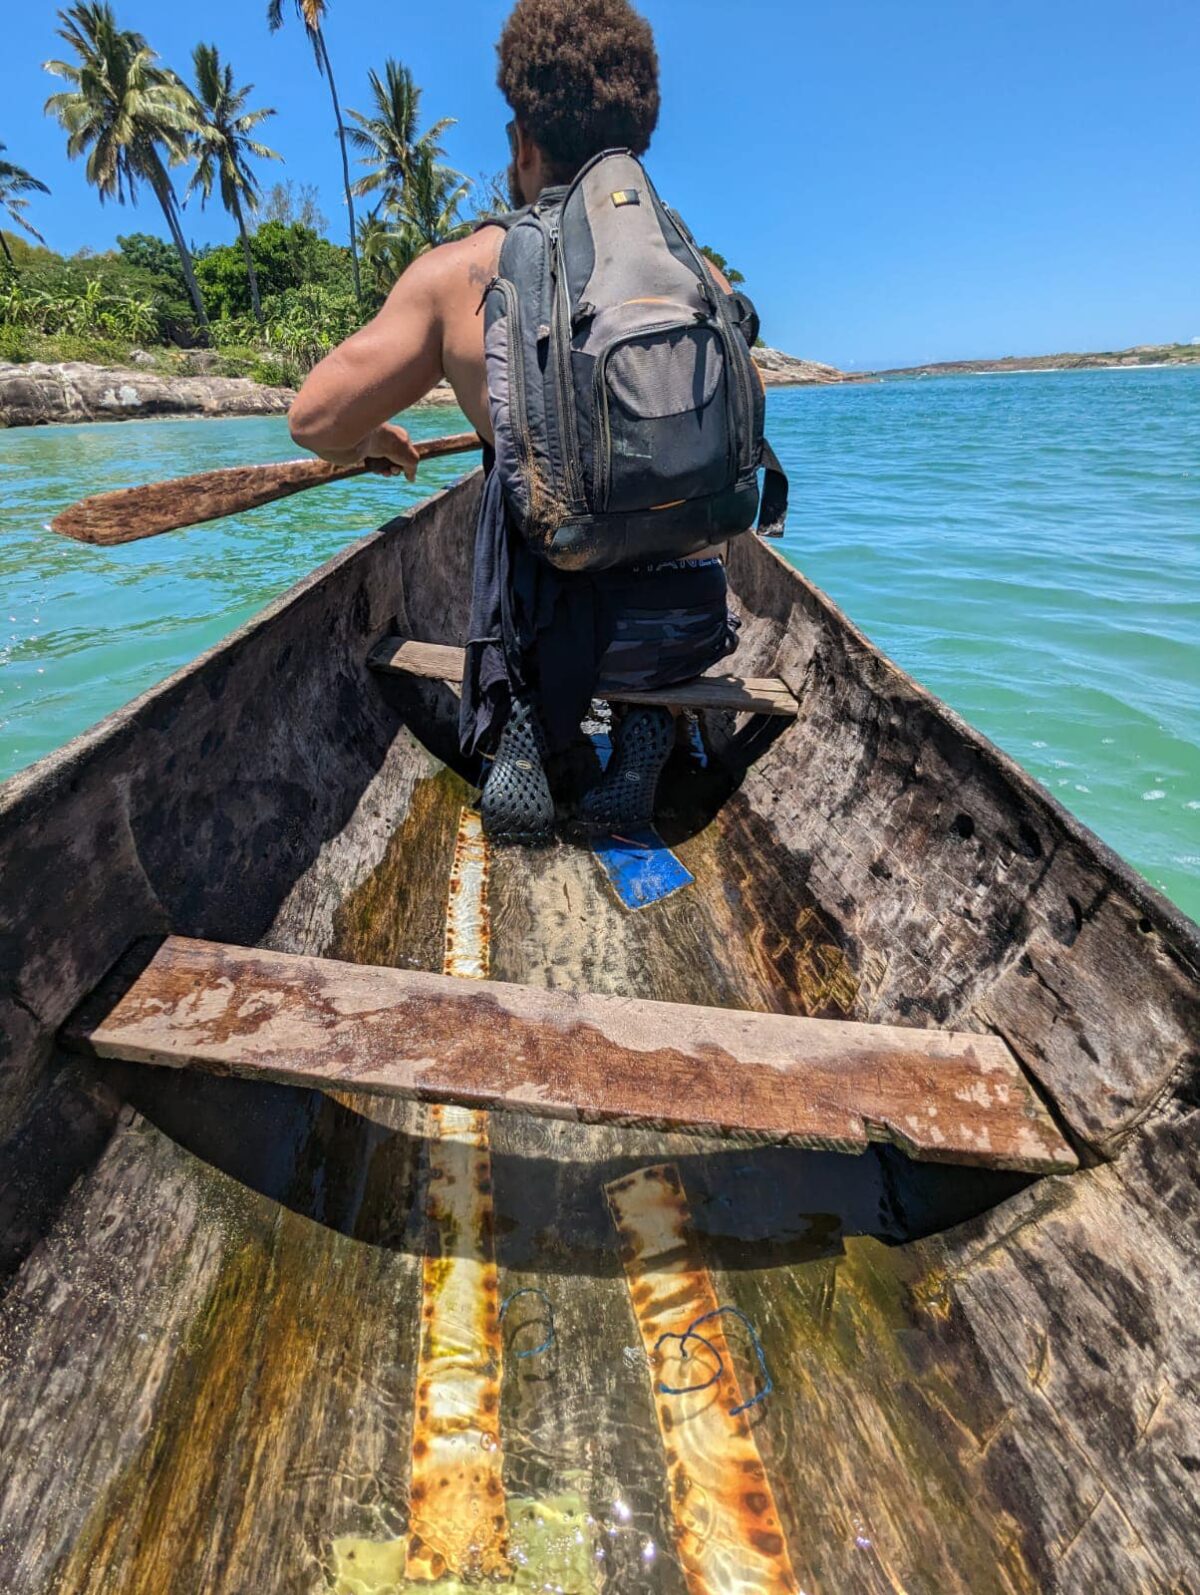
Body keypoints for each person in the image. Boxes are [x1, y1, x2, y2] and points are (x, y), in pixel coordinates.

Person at [289, 0, 748, 846]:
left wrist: (370, 441)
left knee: (510, 481)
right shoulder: (698, 275)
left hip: (542, 647)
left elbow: (312, 417)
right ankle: (651, 722)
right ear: (632, 145)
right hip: (684, 629)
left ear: (523, 140)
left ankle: (526, 734)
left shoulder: (463, 275)